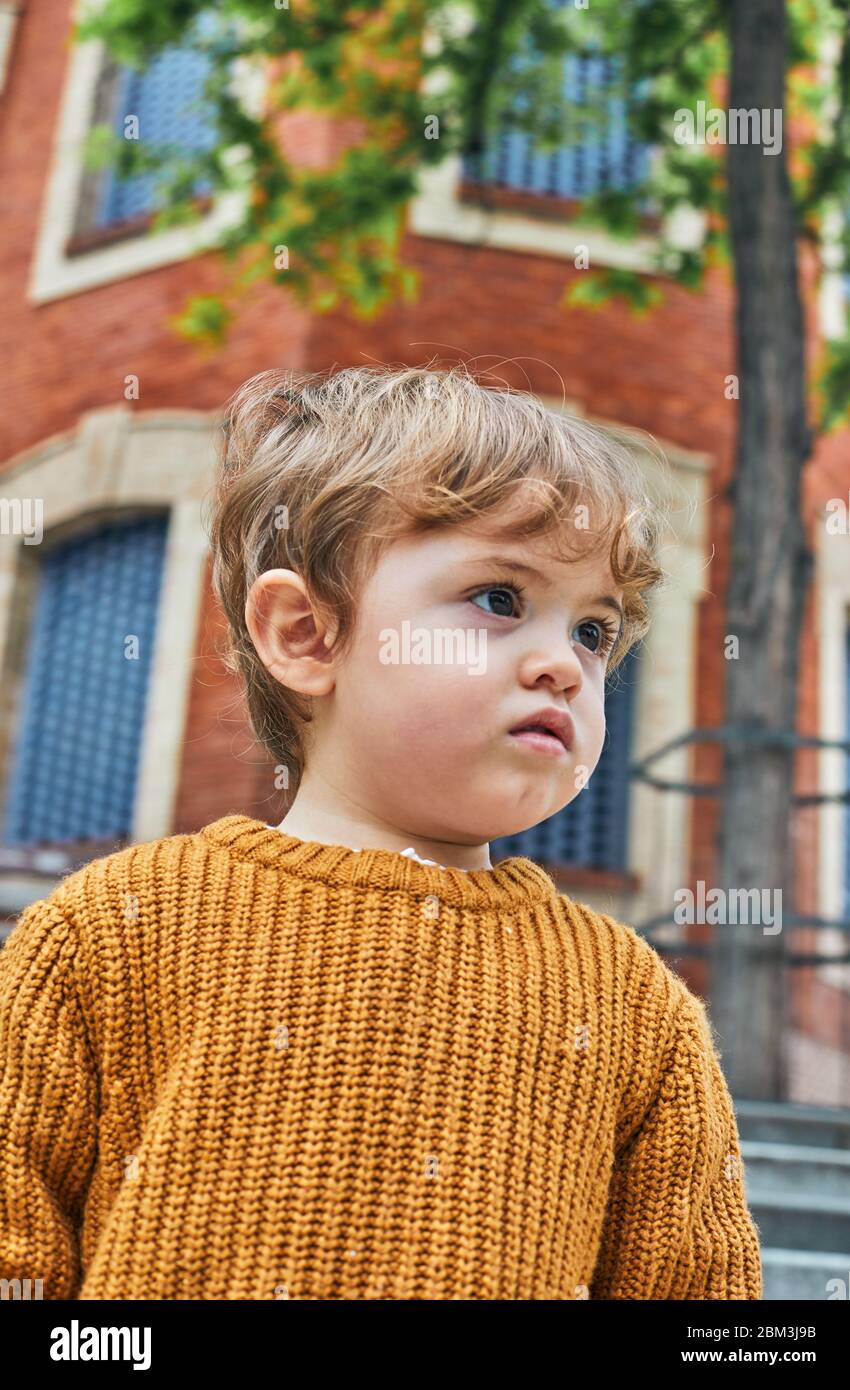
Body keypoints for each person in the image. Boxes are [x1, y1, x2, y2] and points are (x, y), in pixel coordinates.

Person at [0, 363, 763, 1299]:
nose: (563, 664)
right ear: (307, 635)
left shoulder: (638, 1006)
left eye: (594, 632)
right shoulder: (108, 932)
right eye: (501, 598)